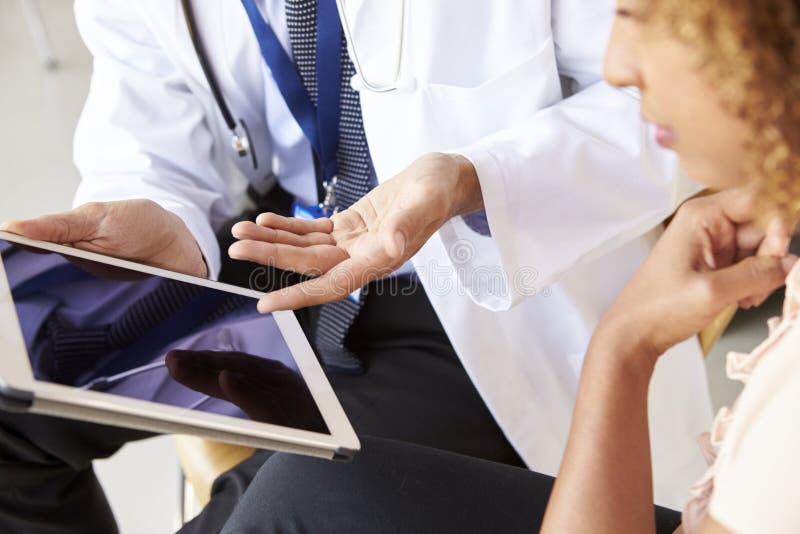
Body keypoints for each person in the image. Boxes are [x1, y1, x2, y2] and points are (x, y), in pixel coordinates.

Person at [0, 0, 712, 532]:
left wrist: (472, 178)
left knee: (271, 516)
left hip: (478, 279)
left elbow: (685, 101)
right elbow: (152, 111)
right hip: (279, 239)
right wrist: (160, 210)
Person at [216, 0, 800, 532]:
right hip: (327, 285)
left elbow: (629, 109)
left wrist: (623, 341)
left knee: (289, 498)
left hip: (485, 310)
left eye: (636, 15)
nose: (618, 64)